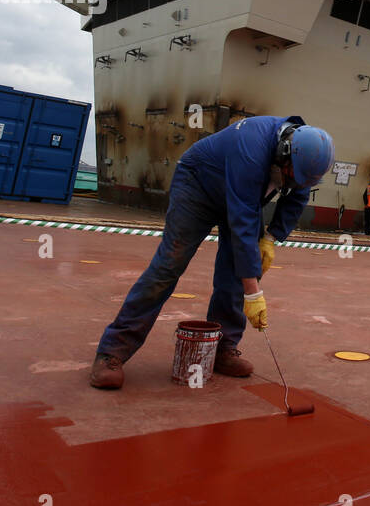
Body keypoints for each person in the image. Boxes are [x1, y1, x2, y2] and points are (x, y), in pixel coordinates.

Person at [89, 116, 335, 389]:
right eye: (289, 175)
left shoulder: (302, 162)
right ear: (283, 152)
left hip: (244, 198)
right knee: (168, 266)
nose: (291, 182)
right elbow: (241, 223)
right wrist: (253, 294)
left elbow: (296, 196)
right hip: (199, 187)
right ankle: (112, 350)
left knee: (233, 274)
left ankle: (222, 348)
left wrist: (271, 238)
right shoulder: (252, 147)